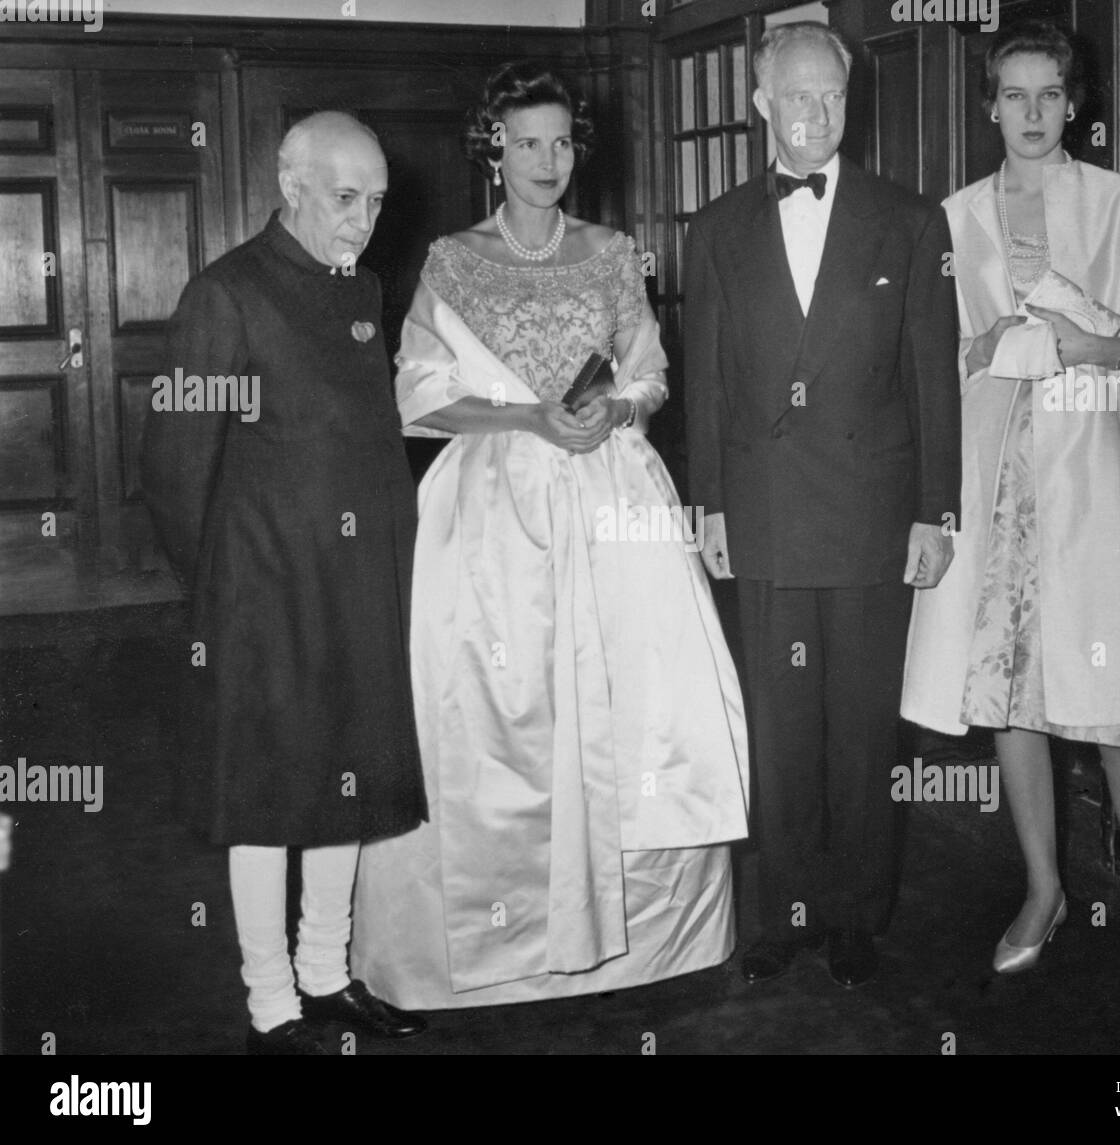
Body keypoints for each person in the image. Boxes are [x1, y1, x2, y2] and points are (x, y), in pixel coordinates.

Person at [351, 63, 749, 1007]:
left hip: (611, 497)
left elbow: (651, 372)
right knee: (494, 705)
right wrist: (528, 421)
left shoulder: (613, 252)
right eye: (525, 141)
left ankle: (644, 938)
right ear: (493, 148)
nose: (546, 159)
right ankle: (487, 944)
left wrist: (612, 406)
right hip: (488, 506)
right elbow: (417, 396)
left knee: (631, 697)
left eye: (561, 140)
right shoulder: (451, 258)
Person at [901, 21, 1120, 1007]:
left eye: (1049, 95)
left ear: (1075, 102)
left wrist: (1087, 348)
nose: (1031, 114)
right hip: (993, 470)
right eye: (1012, 96)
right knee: (1011, 689)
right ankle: (1045, 889)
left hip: (1091, 461)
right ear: (988, 105)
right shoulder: (955, 217)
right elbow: (942, 349)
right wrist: (980, 356)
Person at [142, 111, 431, 1054]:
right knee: (267, 798)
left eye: (377, 202)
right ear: (291, 184)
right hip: (262, 596)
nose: (362, 221)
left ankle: (327, 971)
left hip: (354, 590)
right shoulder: (225, 295)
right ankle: (271, 999)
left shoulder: (366, 290)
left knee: (341, 784)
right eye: (346, 199)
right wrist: (225, 590)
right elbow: (176, 471)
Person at [684, 22, 962, 989]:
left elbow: (935, 380)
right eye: (794, 96)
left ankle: (854, 912)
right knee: (778, 726)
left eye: (831, 97)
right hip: (760, 511)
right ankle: (785, 911)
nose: (813, 115)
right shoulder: (714, 229)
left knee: (861, 730)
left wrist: (937, 511)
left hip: (872, 516)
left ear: (851, 102)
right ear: (760, 104)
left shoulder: (911, 220)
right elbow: (708, 383)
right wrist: (709, 505)